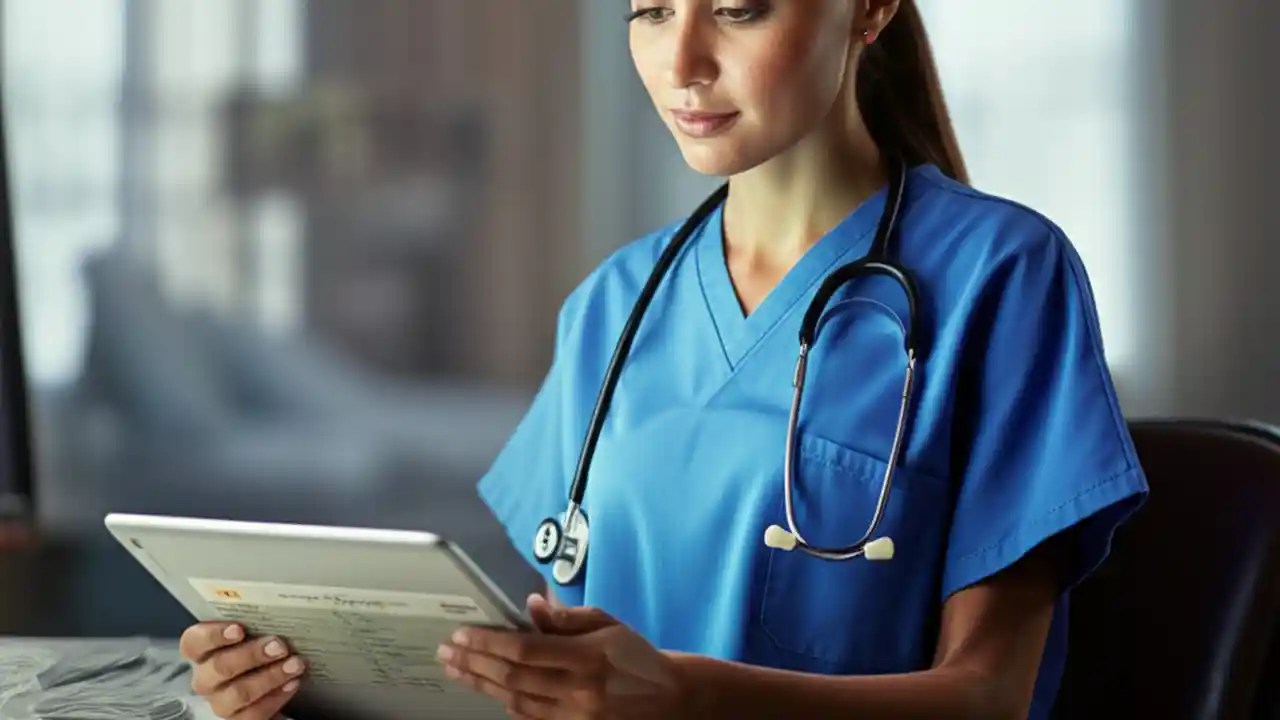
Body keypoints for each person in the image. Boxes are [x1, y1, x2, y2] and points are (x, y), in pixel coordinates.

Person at [179, 1, 1149, 718]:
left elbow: (985, 698)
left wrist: (683, 695)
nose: (681, 61)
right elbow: (559, 676)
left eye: (737, 10)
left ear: (867, 11)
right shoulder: (612, 302)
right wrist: (299, 688)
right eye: (649, 11)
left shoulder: (1000, 275)